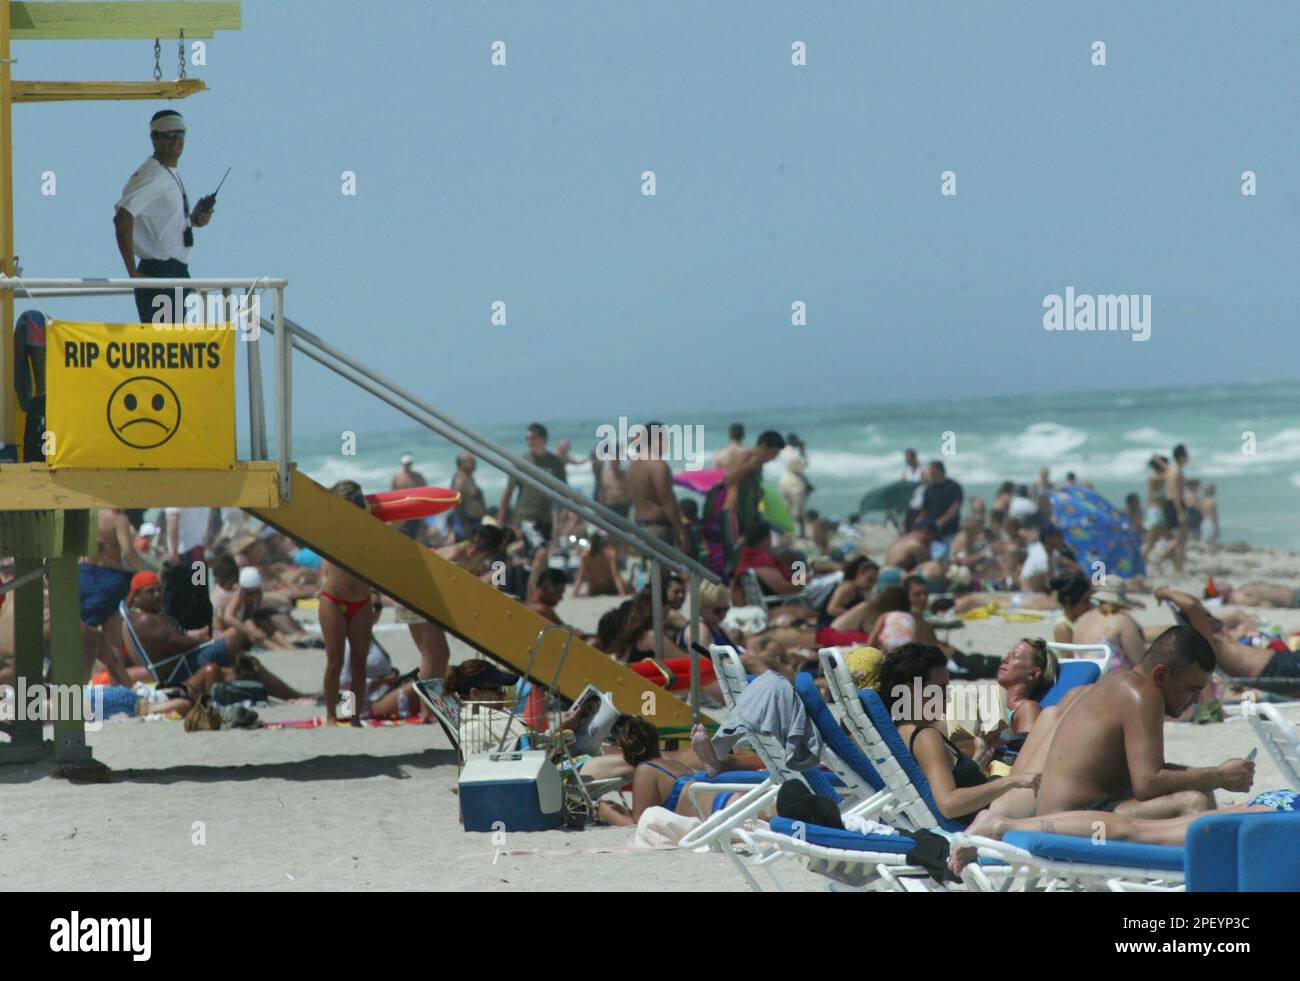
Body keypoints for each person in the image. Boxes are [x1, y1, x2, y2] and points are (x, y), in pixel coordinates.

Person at [1035, 625, 1252, 817]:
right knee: (1193, 802)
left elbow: (1145, 775)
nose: (1196, 699)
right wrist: (1220, 776)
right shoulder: (1143, 694)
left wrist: (1212, 777)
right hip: (1071, 819)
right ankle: (1194, 863)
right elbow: (1148, 784)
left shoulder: (1120, 680)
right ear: (1161, 675)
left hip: (1072, 810)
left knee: (1201, 786)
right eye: (1193, 689)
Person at [878, 643, 1039, 827]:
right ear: (911, 689)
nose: (947, 697)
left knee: (1052, 718)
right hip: (992, 813)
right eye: (940, 688)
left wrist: (976, 763)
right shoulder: (925, 737)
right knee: (1051, 716)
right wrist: (1010, 781)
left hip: (992, 804)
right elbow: (949, 805)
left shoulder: (901, 728)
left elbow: (942, 778)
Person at [125, 571, 302, 698]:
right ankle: (292, 695)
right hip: (180, 670)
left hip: (180, 664)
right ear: (137, 595)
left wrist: (198, 635)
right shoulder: (145, 620)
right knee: (236, 642)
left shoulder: (142, 617)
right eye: (150, 591)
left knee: (243, 664)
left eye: (158, 590)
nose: (157, 595)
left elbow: (175, 640)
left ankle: (289, 694)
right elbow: (178, 644)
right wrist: (205, 639)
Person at [114, 110, 212, 324]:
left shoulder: (168, 173)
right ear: (154, 138)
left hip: (176, 271)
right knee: (165, 347)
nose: (175, 141)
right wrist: (132, 271)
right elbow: (123, 217)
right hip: (159, 271)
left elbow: (161, 224)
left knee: (173, 345)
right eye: (168, 135)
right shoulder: (152, 175)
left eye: (180, 135)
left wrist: (192, 221)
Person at [319, 481, 375, 725]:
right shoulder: (329, 527)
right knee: (335, 661)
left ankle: (355, 716)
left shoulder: (368, 528)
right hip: (333, 599)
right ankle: (331, 715)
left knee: (359, 663)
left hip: (361, 600)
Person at [499, 423, 568, 597]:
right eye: (527, 438)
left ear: (543, 439)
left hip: (546, 518)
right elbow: (508, 493)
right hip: (526, 517)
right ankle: (531, 597)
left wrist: (560, 523)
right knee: (541, 552)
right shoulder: (522, 462)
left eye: (533, 438)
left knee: (540, 561)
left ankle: (535, 598)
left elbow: (563, 495)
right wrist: (501, 521)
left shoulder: (555, 463)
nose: (529, 441)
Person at [77, 508, 143, 684]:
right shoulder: (119, 519)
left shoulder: (89, 513)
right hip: (111, 578)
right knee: (112, 641)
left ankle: (78, 683)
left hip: (85, 574)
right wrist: (141, 572)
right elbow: (128, 551)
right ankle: (118, 689)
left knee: (81, 632)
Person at [720, 431, 785, 576]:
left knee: (749, 550)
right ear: (763, 447)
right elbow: (728, 480)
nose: (773, 458)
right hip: (733, 512)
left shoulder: (760, 464)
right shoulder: (746, 456)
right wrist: (750, 465)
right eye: (773, 453)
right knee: (734, 552)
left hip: (748, 513)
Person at [1052, 573, 1146, 672]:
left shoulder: (1082, 619)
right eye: (1086, 600)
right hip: (1111, 681)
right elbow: (1141, 664)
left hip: (1085, 678)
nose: (1089, 604)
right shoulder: (1122, 621)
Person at [625, 422, 689, 553]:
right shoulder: (658, 466)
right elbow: (667, 501)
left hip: (639, 527)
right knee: (664, 572)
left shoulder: (633, 467)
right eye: (665, 439)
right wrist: (681, 530)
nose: (667, 444)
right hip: (659, 530)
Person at [162, 507, 214, 632]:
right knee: (199, 599)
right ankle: (202, 633)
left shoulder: (176, 493)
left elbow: (173, 520)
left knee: (176, 604)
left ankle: (177, 636)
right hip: (198, 554)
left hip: (184, 556)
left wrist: (173, 553)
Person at [920, 461, 962, 559]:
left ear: (938, 471)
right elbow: (925, 510)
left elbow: (956, 506)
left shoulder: (953, 487)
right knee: (934, 558)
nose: (929, 473)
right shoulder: (929, 490)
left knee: (950, 558)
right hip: (933, 534)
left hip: (950, 531)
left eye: (931, 471)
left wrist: (942, 521)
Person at [777, 434, 812, 537]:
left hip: (784, 481)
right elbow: (804, 466)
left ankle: (787, 531)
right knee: (798, 512)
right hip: (796, 484)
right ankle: (800, 533)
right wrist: (802, 450)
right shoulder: (794, 455)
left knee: (787, 509)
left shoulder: (783, 451)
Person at [1164, 444, 1190, 573]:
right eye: (1186, 454)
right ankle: (1161, 559)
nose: (1188, 457)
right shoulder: (1176, 471)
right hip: (1175, 505)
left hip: (1171, 504)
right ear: (1181, 456)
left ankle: (1178, 568)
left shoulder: (1172, 469)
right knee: (1180, 538)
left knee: (1178, 539)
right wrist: (1180, 512)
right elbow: (1175, 492)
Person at [449, 452, 487, 538]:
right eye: (471, 461)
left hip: (472, 521)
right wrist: (464, 524)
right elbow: (457, 502)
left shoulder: (467, 478)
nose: (474, 462)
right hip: (467, 522)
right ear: (462, 464)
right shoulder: (460, 480)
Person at [391, 452, 428, 539]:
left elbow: (425, 493)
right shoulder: (397, 478)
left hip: (416, 510)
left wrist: (425, 512)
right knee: (402, 534)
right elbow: (392, 495)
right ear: (402, 464)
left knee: (415, 534)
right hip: (402, 510)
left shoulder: (418, 477)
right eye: (406, 464)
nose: (408, 466)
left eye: (409, 464)